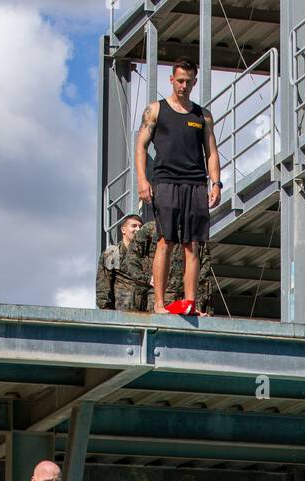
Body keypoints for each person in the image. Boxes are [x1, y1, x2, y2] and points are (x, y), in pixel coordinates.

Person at [135, 57, 221, 313]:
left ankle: (190, 303)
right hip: (166, 182)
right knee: (166, 240)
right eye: (179, 80)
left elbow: (212, 152)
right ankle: (160, 304)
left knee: (192, 243)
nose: (183, 85)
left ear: (194, 82)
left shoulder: (202, 115)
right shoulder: (156, 110)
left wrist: (216, 183)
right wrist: (142, 179)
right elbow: (141, 145)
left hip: (195, 183)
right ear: (171, 80)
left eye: (188, 81)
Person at [125, 219, 214, 315]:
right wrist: (146, 278)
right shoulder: (151, 229)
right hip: (159, 297)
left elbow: (204, 266)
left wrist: (194, 301)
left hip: (185, 297)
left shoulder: (193, 232)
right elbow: (131, 258)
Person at [96, 212, 144, 310]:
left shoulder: (147, 254)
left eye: (140, 226)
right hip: (122, 313)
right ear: (123, 230)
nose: (138, 229)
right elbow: (103, 286)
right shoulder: (112, 253)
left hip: (146, 313)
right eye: (134, 226)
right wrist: (106, 312)